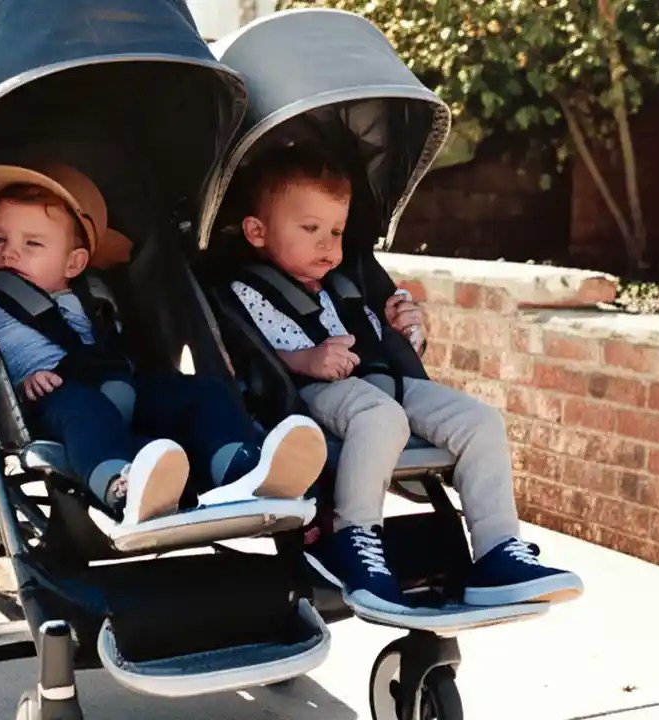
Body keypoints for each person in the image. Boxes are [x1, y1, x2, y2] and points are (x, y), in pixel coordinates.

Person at [228, 146, 584, 612]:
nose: (327, 245)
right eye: (310, 229)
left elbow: (382, 341)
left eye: (336, 231)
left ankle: (497, 550)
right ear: (257, 231)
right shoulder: (249, 289)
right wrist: (306, 359)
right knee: (382, 419)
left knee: (481, 422)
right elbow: (249, 353)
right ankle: (353, 538)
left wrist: (400, 329)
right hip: (309, 392)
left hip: (383, 383)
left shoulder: (347, 281)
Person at [0, 161, 328, 529]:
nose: (10, 252)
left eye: (32, 243)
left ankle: (239, 466)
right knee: (83, 410)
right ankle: (122, 487)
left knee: (203, 394)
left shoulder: (96, 296)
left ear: (74, 263)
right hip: (52, 401)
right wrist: (19, 386)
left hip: (122, 390)